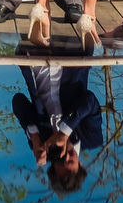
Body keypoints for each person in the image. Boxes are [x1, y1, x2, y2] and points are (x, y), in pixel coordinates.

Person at [12, 46, 104, 194]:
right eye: (70, 161)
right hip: (72, 53)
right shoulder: (91, 139)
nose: (65, 155)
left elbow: (18, 101)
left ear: (52, 162)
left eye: (60, 160)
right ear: (80, 164)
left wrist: (34, 137)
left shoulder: (40, 143)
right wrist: (64, 132)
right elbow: (89, 101)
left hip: (34, 54)